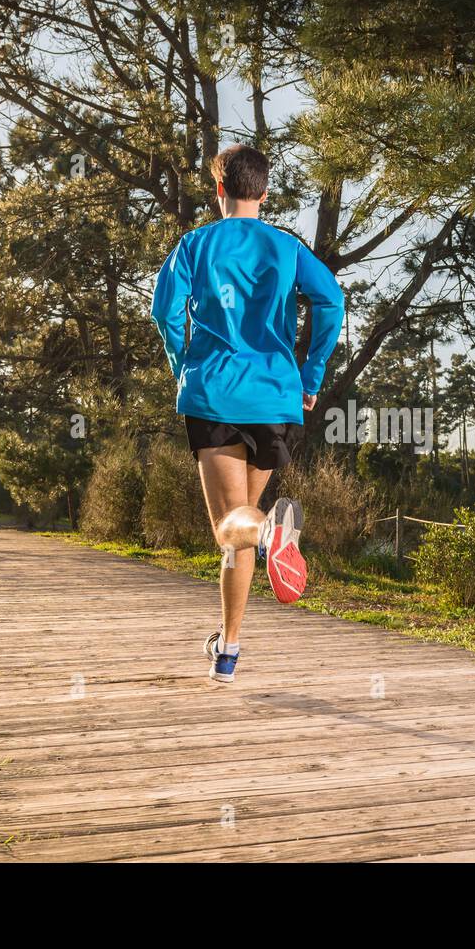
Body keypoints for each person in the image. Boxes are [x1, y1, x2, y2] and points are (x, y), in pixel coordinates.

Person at [150, 143, 345, 684]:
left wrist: (181, 364)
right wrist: (311, 374)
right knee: (243, 519)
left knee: (230, 527)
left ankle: (267, 537)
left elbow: (163, 311)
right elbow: (332, 300)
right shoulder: (286, 247)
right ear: (263, 191)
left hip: (215, 394)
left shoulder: (194, 245)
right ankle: (228, 649)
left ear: (219, 188)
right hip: (276, 399)